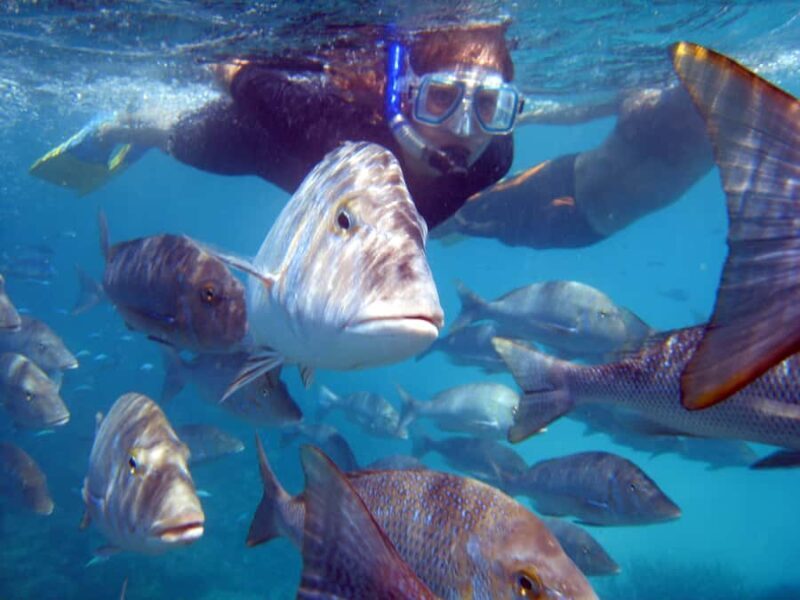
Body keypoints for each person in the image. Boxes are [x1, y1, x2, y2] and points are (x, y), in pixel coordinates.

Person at [30, 22, 523, 230]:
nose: (465, 126)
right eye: (441, 97)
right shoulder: (335, 133)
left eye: (488, 106)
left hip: (313, 183)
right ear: (405, 96)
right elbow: (247, 81)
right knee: (179, 136)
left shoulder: (493, 157)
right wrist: (225, 67)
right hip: (269, 147)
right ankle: (119, 129)